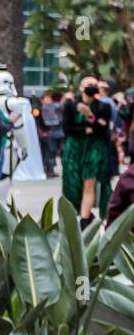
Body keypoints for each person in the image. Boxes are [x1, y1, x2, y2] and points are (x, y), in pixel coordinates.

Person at [62, 75, 115, 224]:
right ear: (80, 87)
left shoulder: (104, 107)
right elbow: (67, 128)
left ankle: (84, 220)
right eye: (88, 84)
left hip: (94, 149)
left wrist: (90, 116)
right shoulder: (70, 105)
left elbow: (102, 129)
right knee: (73, 184)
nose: (91, 86)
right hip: (74, 149)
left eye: (94, 84)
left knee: (89, 182)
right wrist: (87, 130)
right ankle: (82, 214)